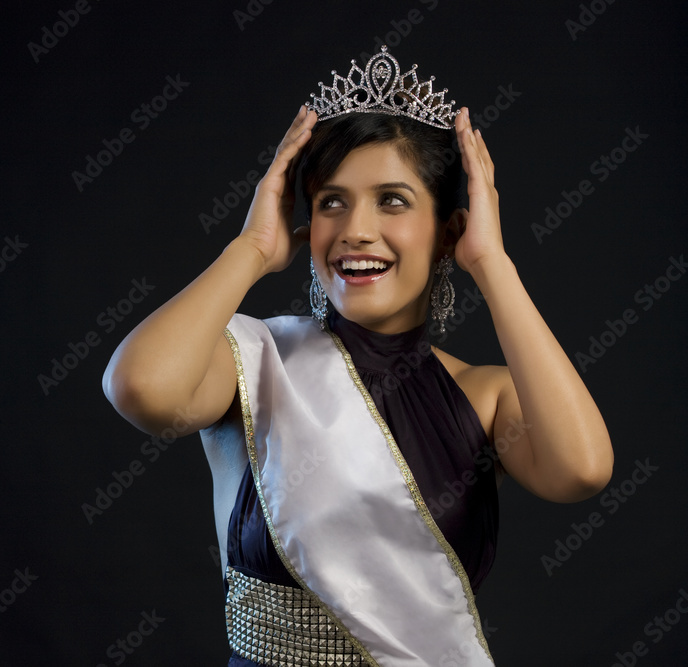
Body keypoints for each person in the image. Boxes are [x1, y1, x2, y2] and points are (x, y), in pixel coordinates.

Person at [102, 46, 613, 666]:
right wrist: (254, 247)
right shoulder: (255, 361)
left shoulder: (485, 395)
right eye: (330, 202)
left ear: (447, 232)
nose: (355, 229)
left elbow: (581, 470)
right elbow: (140, 389)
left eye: (392, 201)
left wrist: (492, 262)